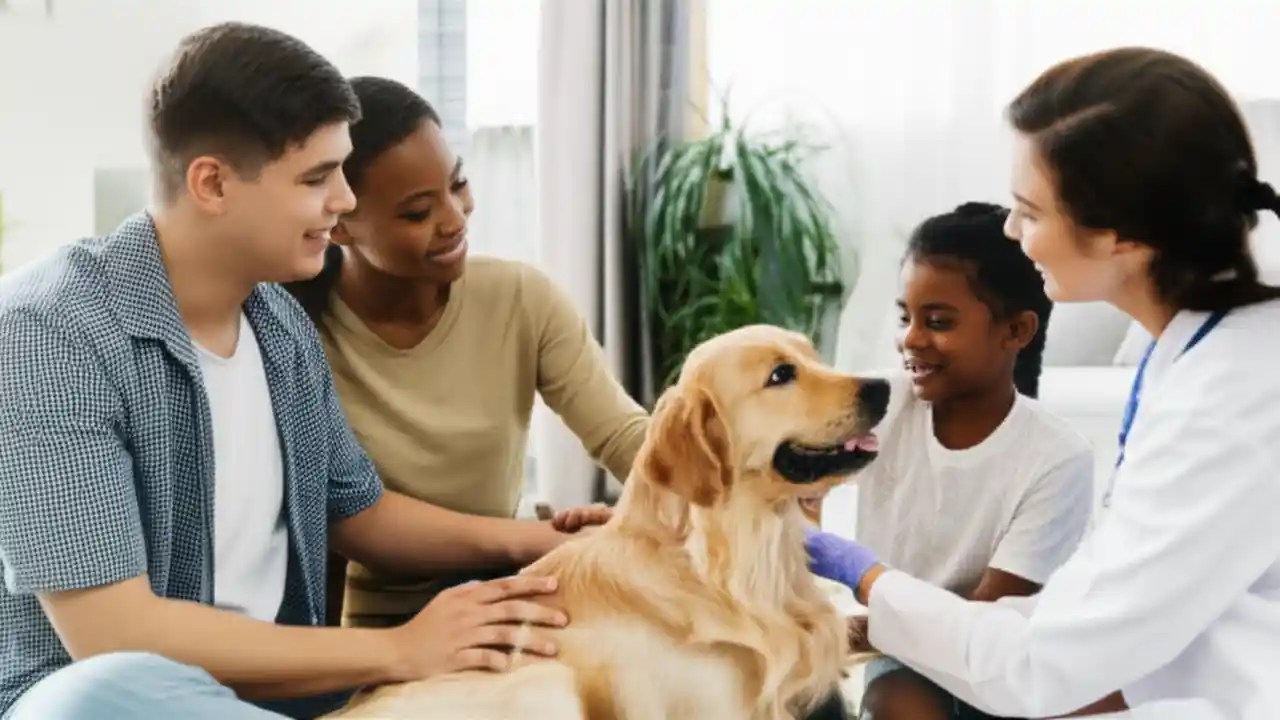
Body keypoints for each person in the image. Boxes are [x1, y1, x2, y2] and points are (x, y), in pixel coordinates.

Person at [0, 23, 594, 720]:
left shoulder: (279, 325)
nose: (344, 200)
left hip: (280, 700)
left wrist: (546, 541)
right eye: (317, 177)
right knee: (90, 699)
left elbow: (359, 512)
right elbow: (112, 635)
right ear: (213, 183)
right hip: (111, 702)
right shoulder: (46, 332)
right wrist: (400, 649)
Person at [806, 47, 1280, 720]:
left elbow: (1040, 669)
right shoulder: (1194, 351)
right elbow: (1077, 618)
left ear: (1120, 235)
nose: (1010, 229)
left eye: (1029, 211)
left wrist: (863, 574)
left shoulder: (1229, 402)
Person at [283, 76, 647, 629]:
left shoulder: (520, 299)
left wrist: (730, 484)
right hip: (388, 626)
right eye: (416, 212)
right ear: (340, 225)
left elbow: (625, 437)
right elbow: (340, 525)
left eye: (458, 186)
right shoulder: (296, 334)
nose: (454, 219)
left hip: (508, 600)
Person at [819, 202, 1093, 720]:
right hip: (902, 655)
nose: (911, 339)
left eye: (938, 321)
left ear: (1016, 331)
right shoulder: (886, 406)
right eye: (906, 317)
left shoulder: (1057, 459)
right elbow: (791, 470)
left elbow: (981, 631)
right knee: (897, 703)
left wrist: (834, 633)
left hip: (1004, 665)